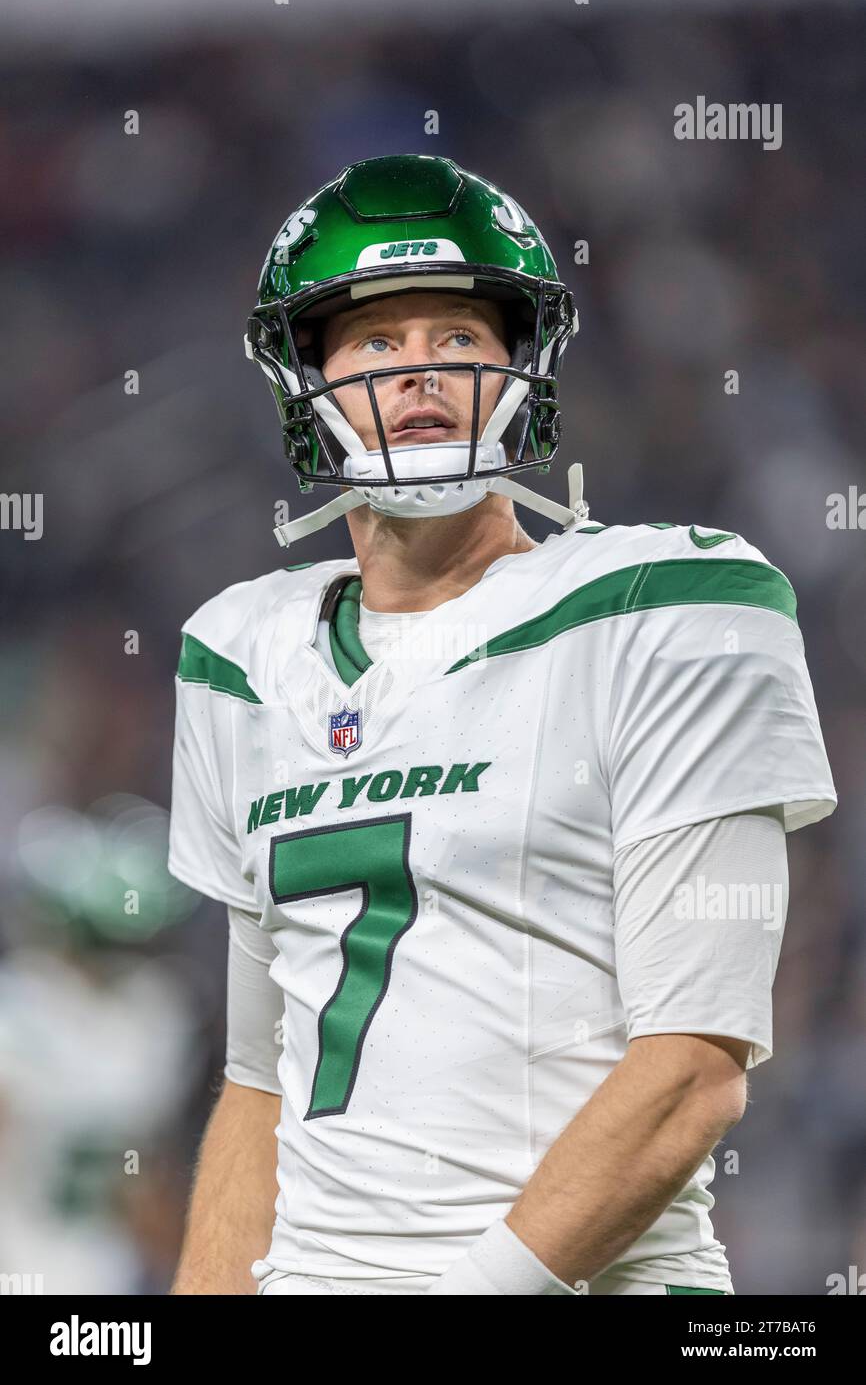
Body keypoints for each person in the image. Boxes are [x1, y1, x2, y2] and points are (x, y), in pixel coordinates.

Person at [167, 155, 836, 1295]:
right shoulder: (237, 653)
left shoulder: (667, 605)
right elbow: (259, 1080)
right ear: (303, 379)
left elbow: (692, 1067)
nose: (418, 374)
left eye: (457, 340)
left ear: (524, 369)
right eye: (375, 344)